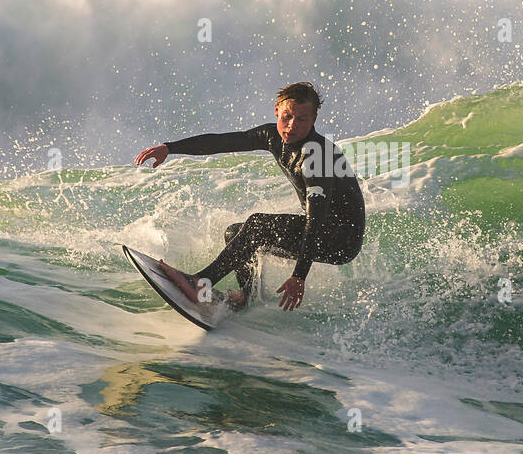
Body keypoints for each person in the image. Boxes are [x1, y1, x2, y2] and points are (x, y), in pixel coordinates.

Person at [134, 82, 364, 312]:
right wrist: (170, 148)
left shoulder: (317, 157)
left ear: (314, 119)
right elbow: (222, 142)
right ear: (277, 111)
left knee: (257, 225)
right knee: (235, 233)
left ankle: (200, 283)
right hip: (318, 229)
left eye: (302, 119)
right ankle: (248, 296)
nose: (292, 125)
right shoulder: (271, 136)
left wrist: (299, 277)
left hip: (340, 239)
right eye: (287, 116)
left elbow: (315, 221)